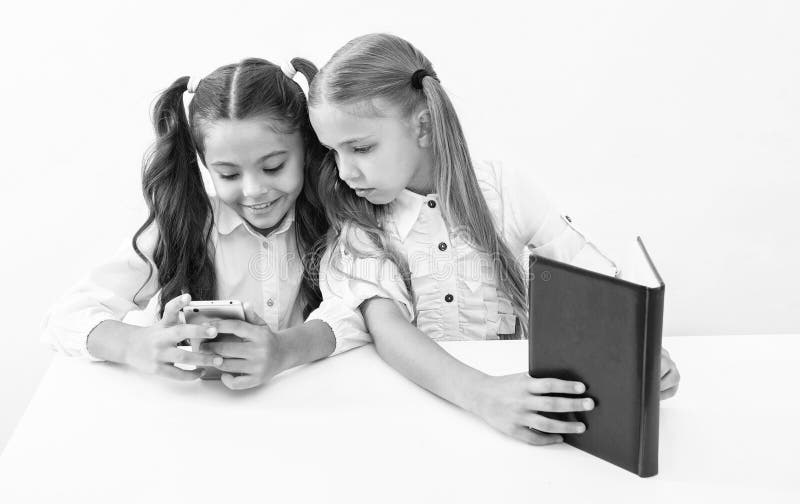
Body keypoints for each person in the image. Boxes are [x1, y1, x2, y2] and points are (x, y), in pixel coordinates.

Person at [304, 33, 681, 445]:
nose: (344, 173)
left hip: (513, 417)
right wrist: (482, 395)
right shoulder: (360, 221)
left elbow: (586, 275)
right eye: (333, 153)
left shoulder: (503, 189)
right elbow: (387, 328)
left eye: (360, 148)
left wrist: (634, 354)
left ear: (423, 126)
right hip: (415, 423)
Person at [42, 57, 347, 390]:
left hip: (310, 406)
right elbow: (66, 316)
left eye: (273, 167)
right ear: (205, 164)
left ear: (307, 147)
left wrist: (286, 350)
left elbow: (361, 310)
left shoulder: (334, 220)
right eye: (228, 174)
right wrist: (136, 344)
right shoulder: (182, 226)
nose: (253, 190)